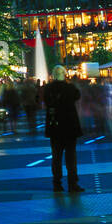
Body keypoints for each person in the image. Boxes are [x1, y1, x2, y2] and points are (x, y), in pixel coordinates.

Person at [44, 64, 83, 193]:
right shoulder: (70, 88)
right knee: (71, 156)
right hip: (70, 126)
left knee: (56, 156)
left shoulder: (48, 89)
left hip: (54, 126)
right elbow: (78, 96)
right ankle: (72, 183)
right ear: (64, 74)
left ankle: (57, 183)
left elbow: (43, 101)